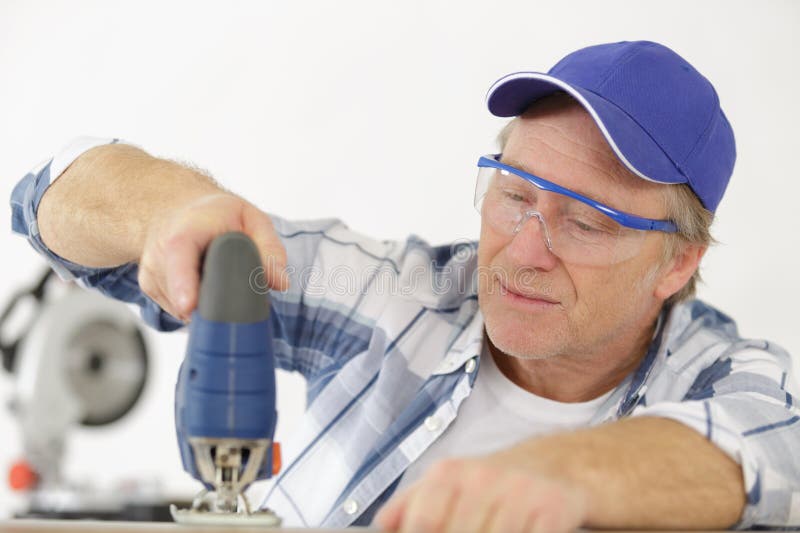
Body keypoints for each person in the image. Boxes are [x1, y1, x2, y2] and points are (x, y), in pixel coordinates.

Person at [9, 40, 799, 531]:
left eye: (586, 223)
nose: (524, 250)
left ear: (677, 264)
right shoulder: (394, 294)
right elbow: (47, 192)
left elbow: (754, 456)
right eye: (515, 192)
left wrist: (563, 473)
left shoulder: (732, 377)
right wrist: (169, 208)